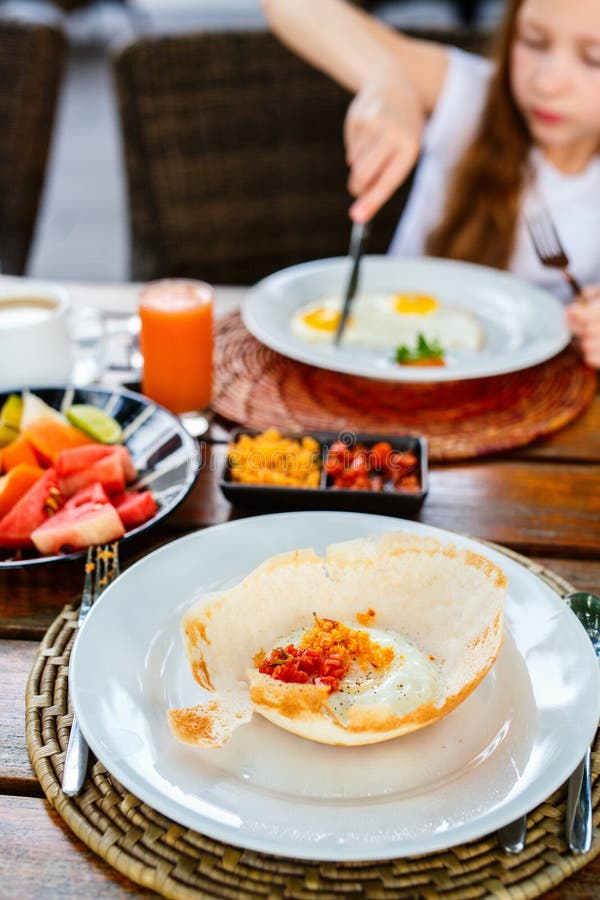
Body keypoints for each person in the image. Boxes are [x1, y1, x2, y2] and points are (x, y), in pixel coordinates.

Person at [261, 0, 600, 367]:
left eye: (594, 58)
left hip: (540, 394)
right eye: (532, 40)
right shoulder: (472, 99)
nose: (547, 83)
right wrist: (390, 81)